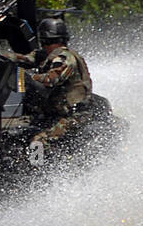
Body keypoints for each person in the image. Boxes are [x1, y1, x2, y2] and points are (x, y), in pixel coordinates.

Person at [23, 17, 96, 151]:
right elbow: (24, 59)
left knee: (38, 141)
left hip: (75, 116)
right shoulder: (50, 55)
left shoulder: (64, 58)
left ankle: (37, 171)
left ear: (44, 40)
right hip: (62, 113)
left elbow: (52, 80)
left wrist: (28, 77)